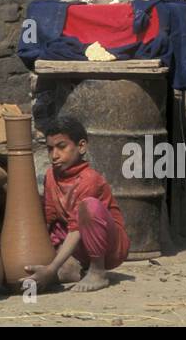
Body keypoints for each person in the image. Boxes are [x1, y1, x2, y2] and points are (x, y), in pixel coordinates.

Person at [23, 116, 130, 292]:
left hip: (109, 247)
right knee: (42, 216)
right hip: (77, 244)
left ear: (81, 147)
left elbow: (76, 228)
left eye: (61, 147)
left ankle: (97, 271)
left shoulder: (90, 179)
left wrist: (51, 269)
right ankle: (75, 268)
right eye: (50, 149)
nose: (54, 155)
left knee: (89, 207)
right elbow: (49, 218)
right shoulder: (51, 176)